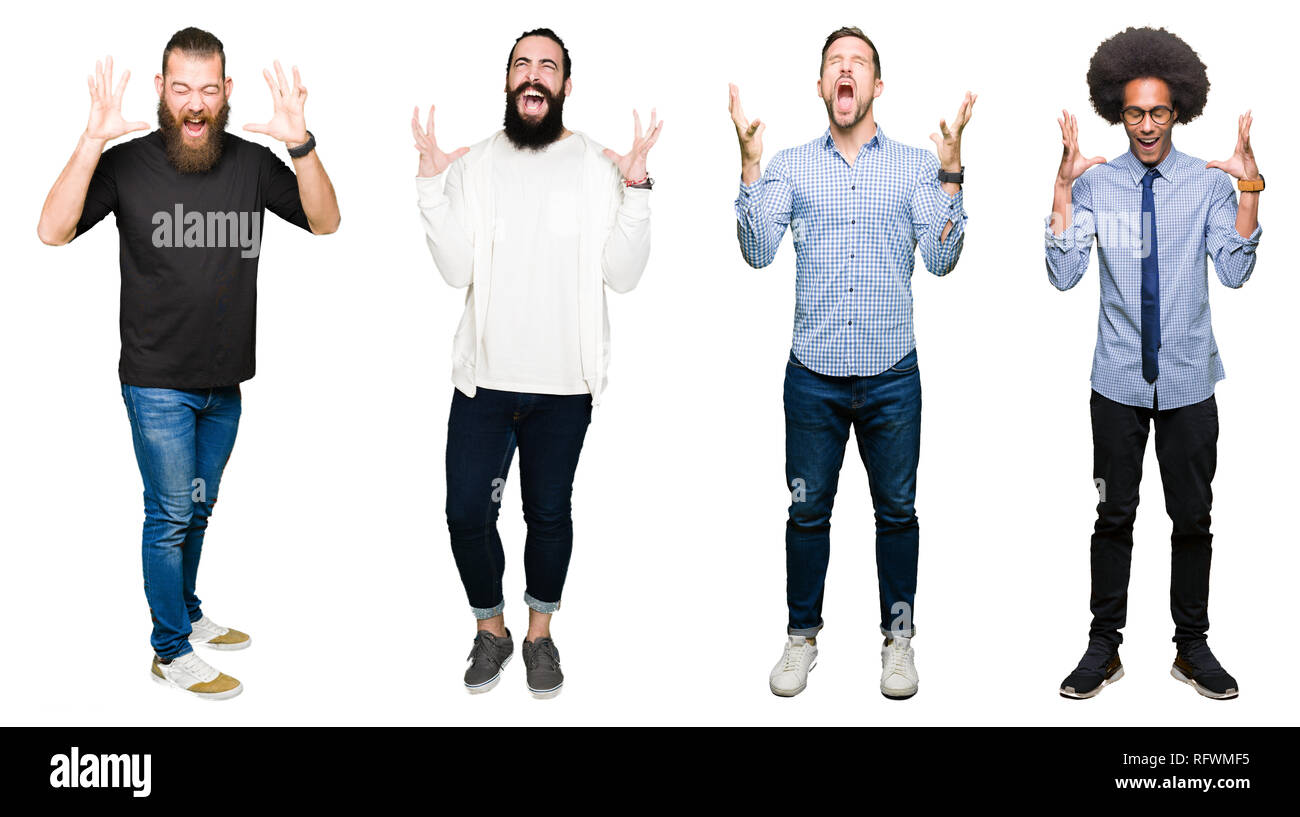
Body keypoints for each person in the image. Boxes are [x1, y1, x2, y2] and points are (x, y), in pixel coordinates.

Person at [36, 27, 340, 700]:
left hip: (224, 386)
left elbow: (325, 221)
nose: (195, 104)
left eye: (208, 89)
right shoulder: (128, 164)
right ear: (161, 91)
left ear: (227, 92)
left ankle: (188, 610)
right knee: (169, 515)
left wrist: (300, 143)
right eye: (181, 89)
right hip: (157, 386)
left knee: (197, 511)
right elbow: (51, 230)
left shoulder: (253, 165)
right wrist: (91, 140)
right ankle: (169, 649)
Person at [413, 28, 660, 698]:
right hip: (483, 383)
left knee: (548, 512)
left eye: (547, 66)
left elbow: (623, 273)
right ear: (506, 81)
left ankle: (539, 636)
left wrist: (636, 189)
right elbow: (455, 267)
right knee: (468, 510)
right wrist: (433, 188)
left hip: (562, 386)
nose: (533, 75)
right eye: (522, 64)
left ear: (565, 87)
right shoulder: (476, 163)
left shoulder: (597, 165)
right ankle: (490, 629)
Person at [731, 26, 974, 699]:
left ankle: (899, 640)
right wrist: (749, 168)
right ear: (820, 85)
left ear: (876, 86)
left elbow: (943, 260)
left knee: (897, 511)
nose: (845, 71)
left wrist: (952, 173)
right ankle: (801, 636)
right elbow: (756, 253)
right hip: (812, 378)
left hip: (893, 377)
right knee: (807, 512)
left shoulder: (917, 166)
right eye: (834, 63)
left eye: (858, 63)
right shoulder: (788, 164)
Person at [1047, 27, 1261, 700]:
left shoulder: (1205, 183)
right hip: (1115, 384)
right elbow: (1063, 272)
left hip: (1190, 383)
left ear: (1178, 111)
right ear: (1119, 110)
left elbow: (1234, 269)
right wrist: (1061, 189)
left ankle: (1191, 646)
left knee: (1193, 518)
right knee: (1113, 516)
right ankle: (1103, 645)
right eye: (1135, 111)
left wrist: (1249, 184)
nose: (1146, 124)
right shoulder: (1097, 183)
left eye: (1158, 111)